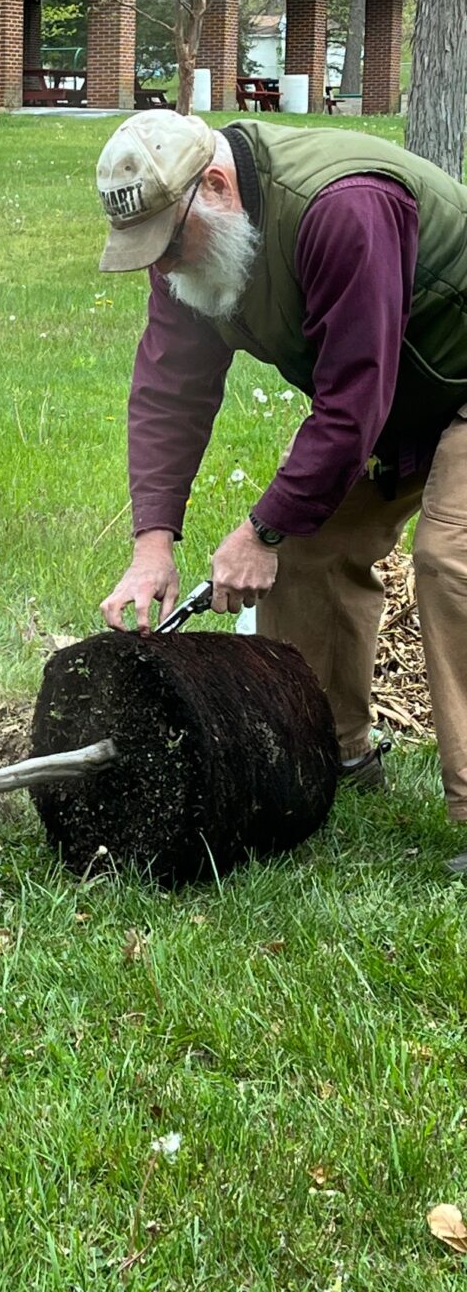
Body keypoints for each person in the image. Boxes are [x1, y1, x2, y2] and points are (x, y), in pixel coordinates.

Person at [93, 108, 467, 864]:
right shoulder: (199, 249)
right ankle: (333, 753)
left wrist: (261, 529)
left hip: (440, 378)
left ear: (218, 186)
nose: (162, 270)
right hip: (403, 395)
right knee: (309, 544)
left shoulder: (343, 207)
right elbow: (171, 392)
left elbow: (355, 396)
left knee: (452, 560)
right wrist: (153, 544)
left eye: (167, 245)